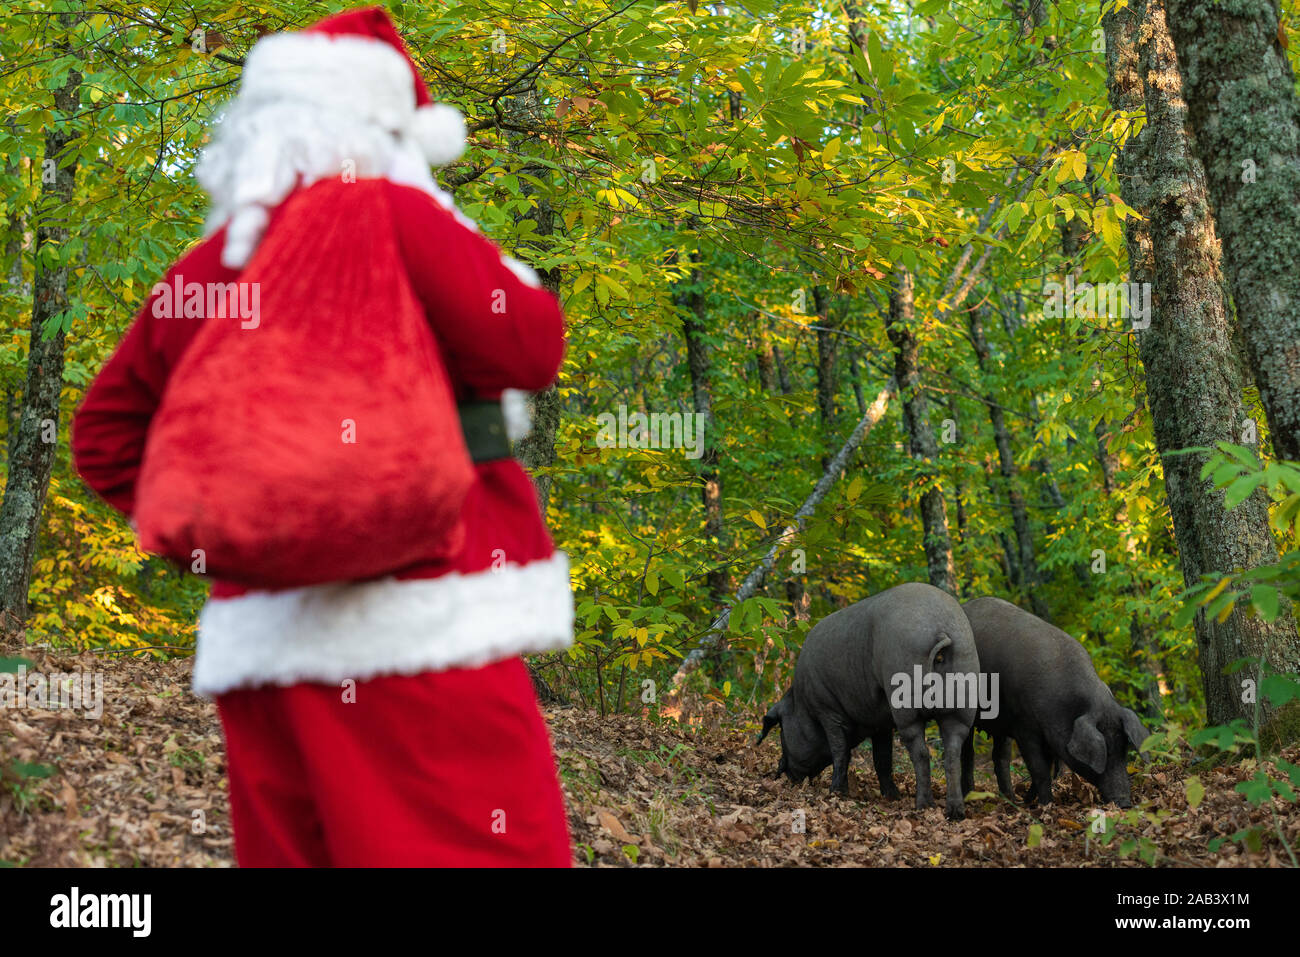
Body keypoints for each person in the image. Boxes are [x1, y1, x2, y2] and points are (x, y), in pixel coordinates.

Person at [72, 6, 574, 867]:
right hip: (426, 621)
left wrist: (248, 523)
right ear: (388, 133)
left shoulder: (213, 270)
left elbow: (104, 438)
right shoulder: (396, 216)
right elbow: (529, 343)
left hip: (261, 650)